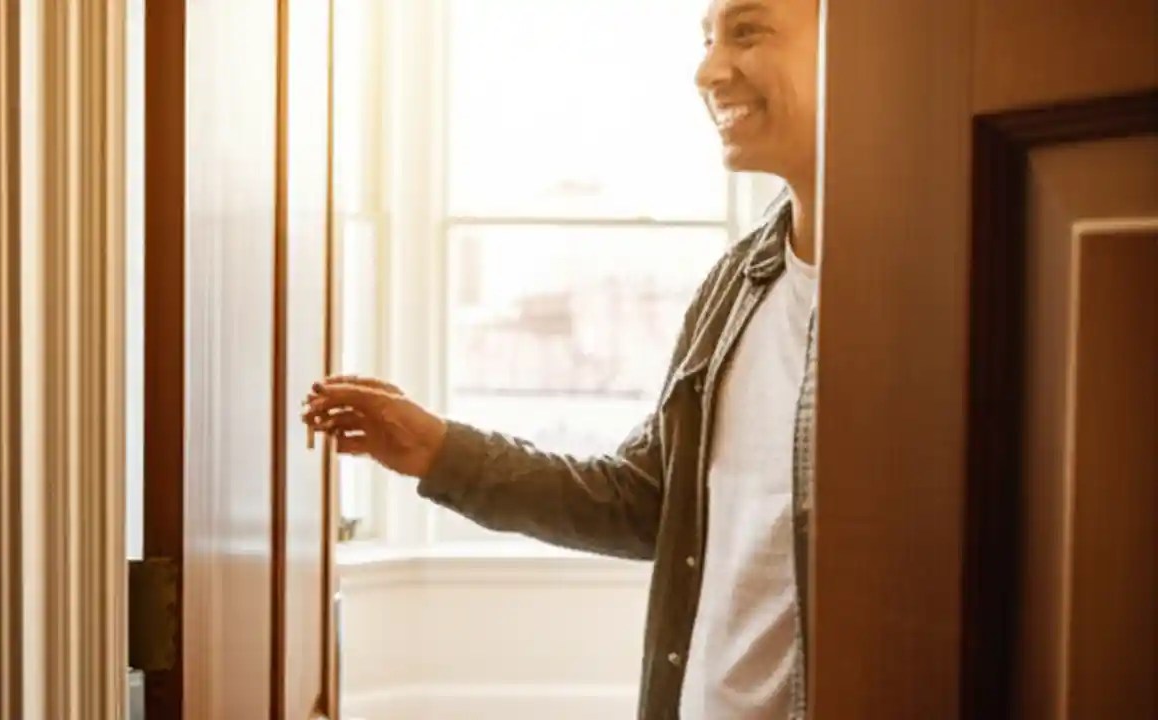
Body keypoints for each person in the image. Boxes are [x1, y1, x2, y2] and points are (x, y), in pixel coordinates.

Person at [303, 1, 820, 717]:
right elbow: (643, 502)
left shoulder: (933, 296)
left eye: (747, 31)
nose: (707, 69)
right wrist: (440, 451)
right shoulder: (737, 285)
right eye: (706, 39)